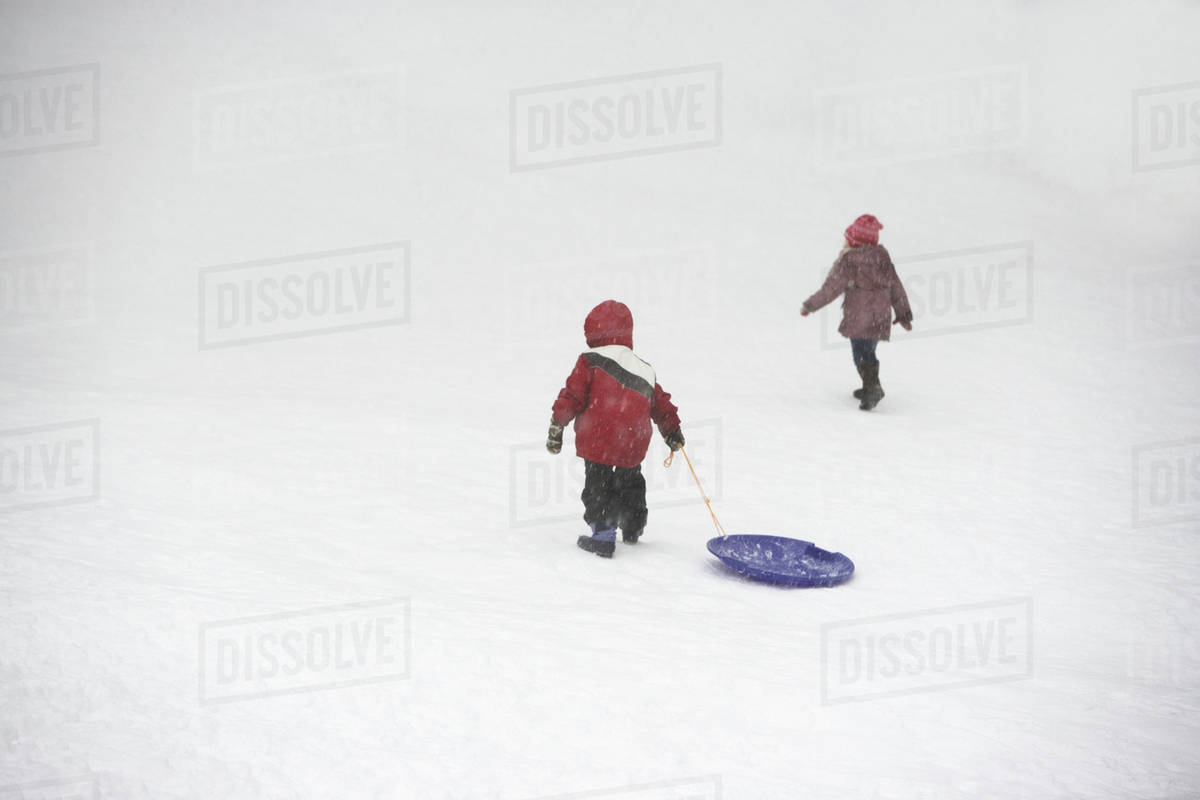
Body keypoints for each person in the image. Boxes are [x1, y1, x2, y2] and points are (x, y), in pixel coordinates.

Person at [546, 300, 684, 558]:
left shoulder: (590, 360)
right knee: (630, 480)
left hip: (597, 436)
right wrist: (672, 431)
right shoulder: (644, 368)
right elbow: (660, 404)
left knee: (598, 483)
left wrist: (557, 424)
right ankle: (633, 526)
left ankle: (603, 536)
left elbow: (572, 396)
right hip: (633, 439)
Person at [801, 214, 914, 410]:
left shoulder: (849, 261)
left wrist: (810, 305)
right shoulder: (882, 258)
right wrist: (903, 314)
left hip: (859, 317)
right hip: (880, 317)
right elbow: (896, 286)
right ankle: (869, 385)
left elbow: (831, 288)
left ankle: (873, 387)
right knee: (869, 351)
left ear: (855, 240)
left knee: (859, 354)